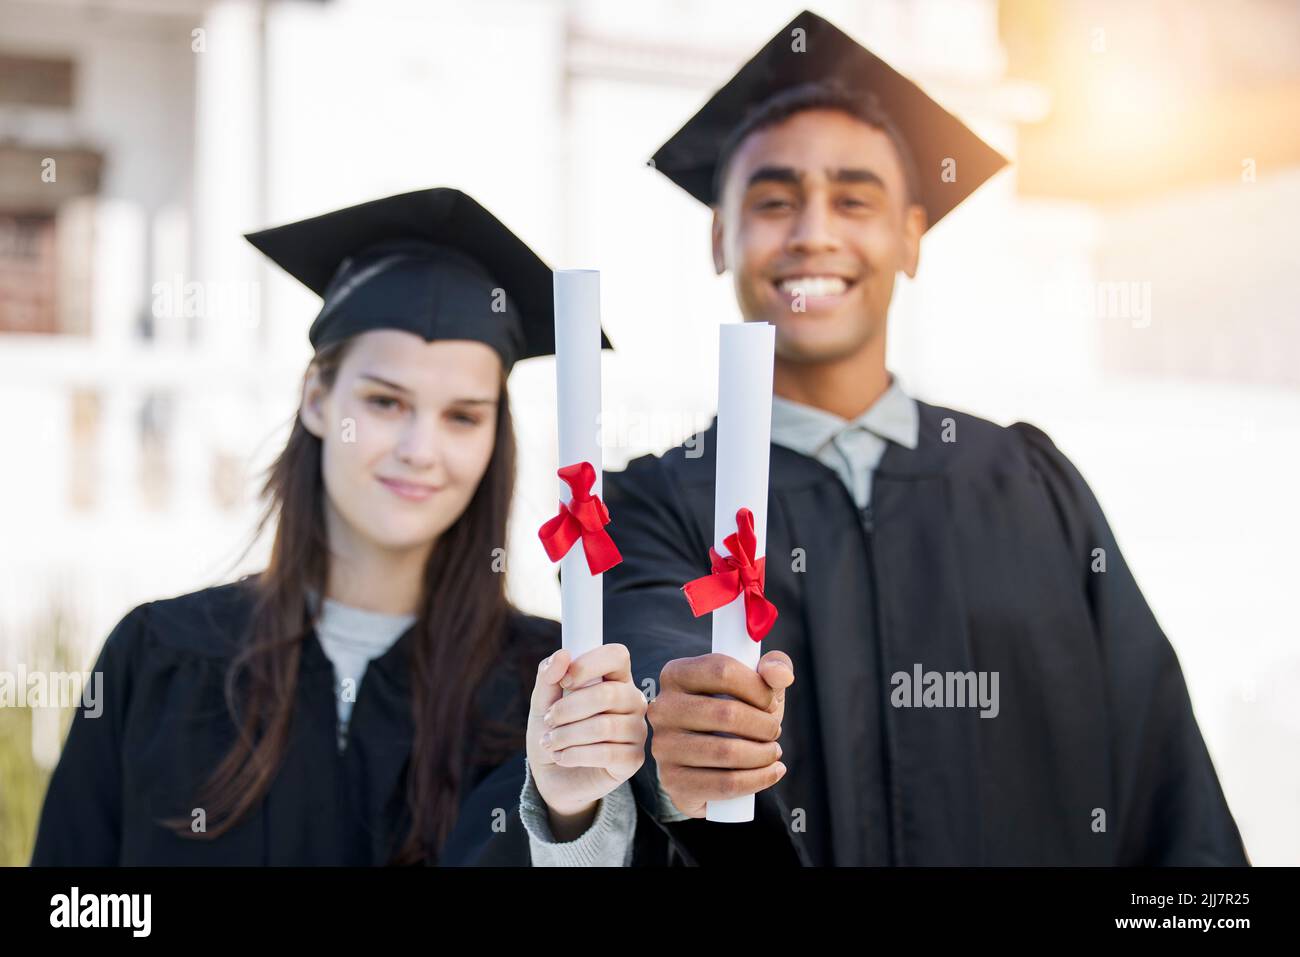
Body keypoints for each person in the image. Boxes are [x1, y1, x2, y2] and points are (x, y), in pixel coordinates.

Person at [605, 11, 1249, 865]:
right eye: (772, 200)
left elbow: (1166, 777)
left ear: (911, 236)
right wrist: (674, 726)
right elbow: (651, 659)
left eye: (855, 198)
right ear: (721, 238)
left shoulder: (1030, 486)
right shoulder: (656, 502)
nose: (814, 232)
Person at [30, 188, 646, 866]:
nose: (420, 449)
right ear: (318, 399)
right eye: (385, 401)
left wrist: (571, 816)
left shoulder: (549, 688)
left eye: (462, 416)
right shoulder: (158, 660)